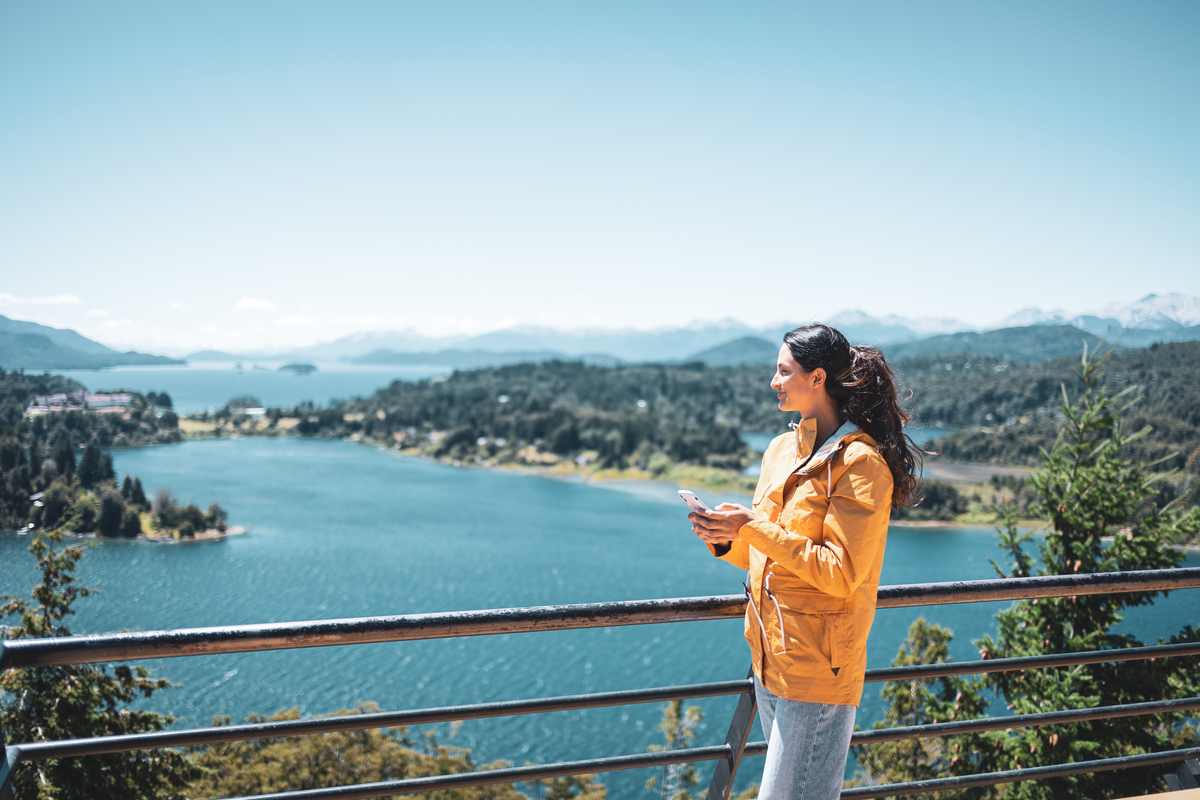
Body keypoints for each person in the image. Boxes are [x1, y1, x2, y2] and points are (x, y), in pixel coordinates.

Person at [690, 323, 920, 800]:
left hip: (820, 671)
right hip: (769, 659)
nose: (774, 381)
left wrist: (750, 525)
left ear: (818, 378)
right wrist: (725, 537)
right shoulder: (779, 450)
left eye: (783, 371)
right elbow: (769, 557)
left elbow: (839, 574)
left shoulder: (861, 464)